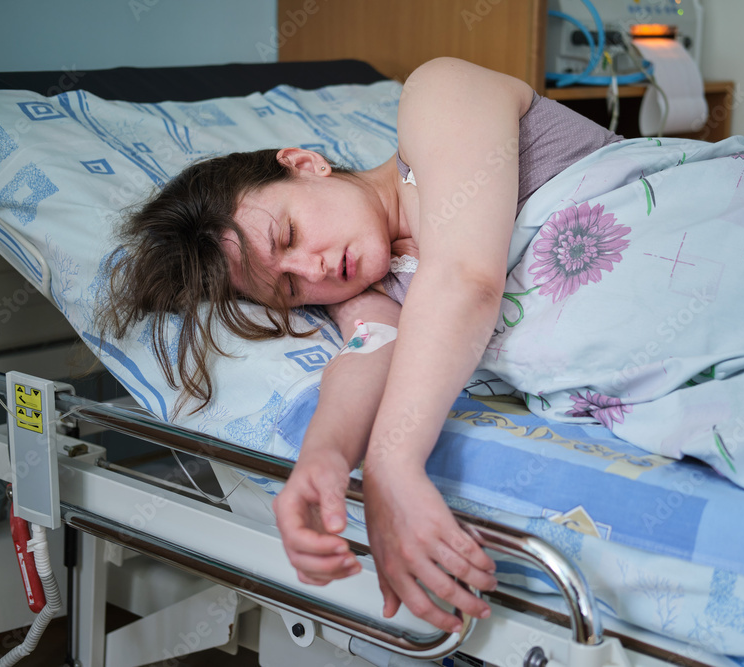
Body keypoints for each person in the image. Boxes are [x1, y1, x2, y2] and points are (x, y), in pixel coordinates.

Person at [102, 57, 621, 633]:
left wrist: (393, 465)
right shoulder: (368, 284)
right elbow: (368, 353)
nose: (315, 269)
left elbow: (467, 279)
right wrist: (321, 460)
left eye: (289, 235)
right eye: (290, 286)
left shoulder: (439, 96)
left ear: (305, 164)